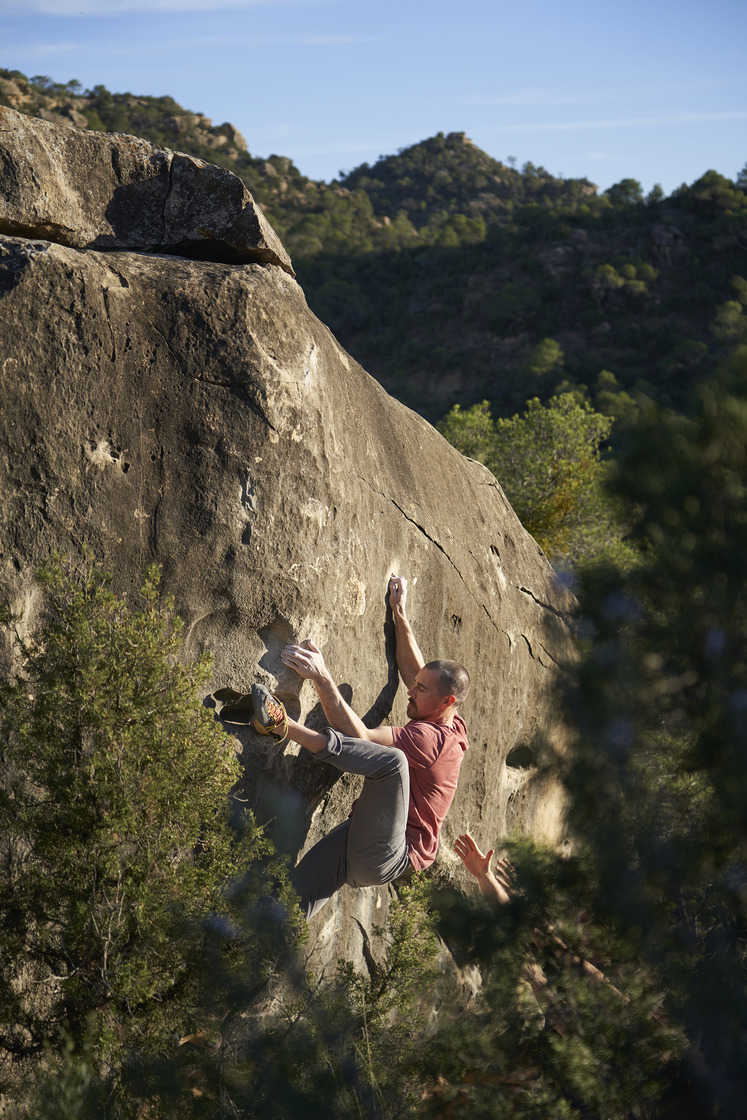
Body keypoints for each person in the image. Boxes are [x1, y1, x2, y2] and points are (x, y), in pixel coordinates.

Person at [251, 575, 470, 921]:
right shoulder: (450, 719)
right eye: (415, 686)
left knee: (392, 763)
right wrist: (399, 612)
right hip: (365, 838)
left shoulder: (431, 741)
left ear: (447, 702)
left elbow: (361, 740)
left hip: (390, 853)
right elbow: (414, 668)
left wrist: (321, 677)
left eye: (421, 691)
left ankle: (282, 726)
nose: (411, 691)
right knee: (292, 905)